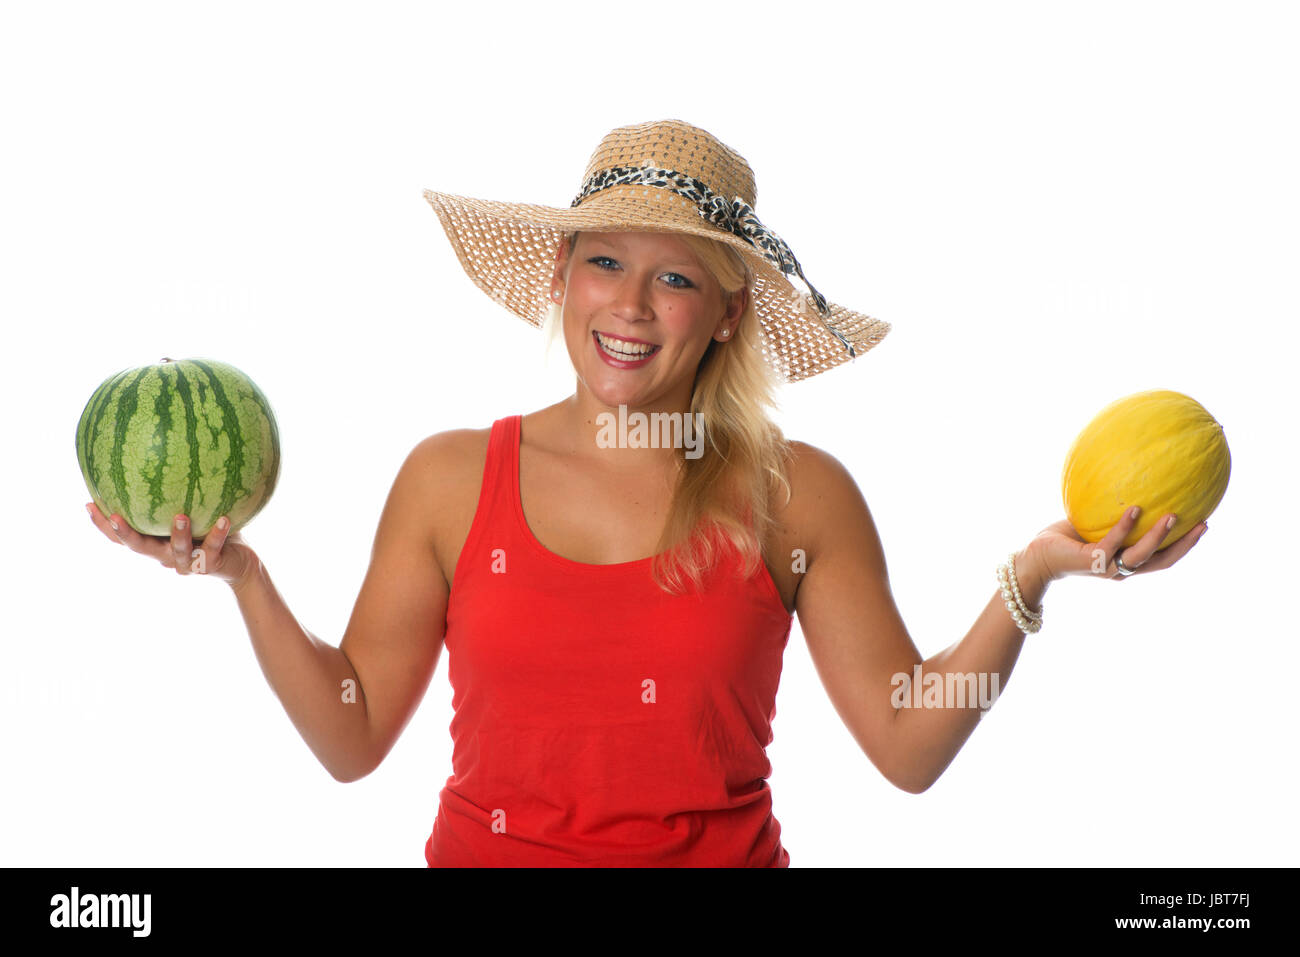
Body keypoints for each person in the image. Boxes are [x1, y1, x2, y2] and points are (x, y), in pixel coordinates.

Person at [85, 118, 1208, 867]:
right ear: (562, 281)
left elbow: (910, 751)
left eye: (675, 276)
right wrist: (244, 578)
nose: (629, 304)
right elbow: (352, 736)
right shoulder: (448, 478)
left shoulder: (793, 494)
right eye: (604, 263)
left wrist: (1031, 578)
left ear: (726, 313)